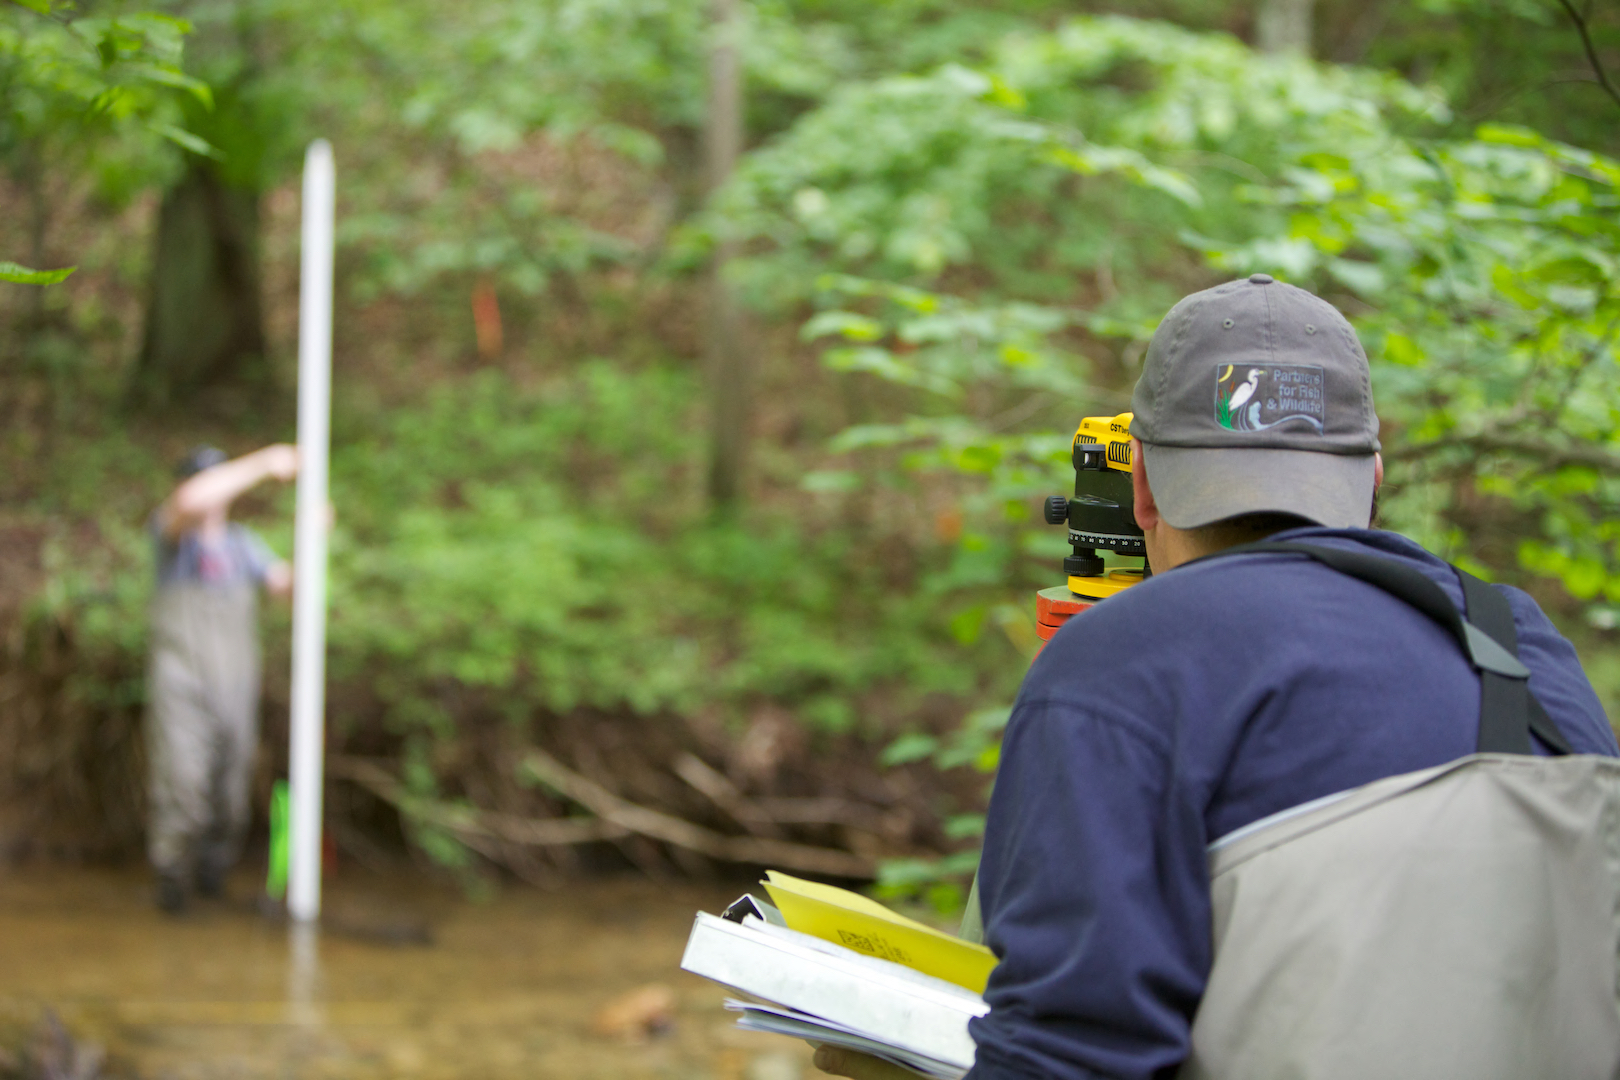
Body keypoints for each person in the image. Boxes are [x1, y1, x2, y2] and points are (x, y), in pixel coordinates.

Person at [815, 275, 1619, 1080]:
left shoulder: (1119, 664)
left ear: (1143, 494)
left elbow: (1068, 1055)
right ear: (1372, 484)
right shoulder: (1521, 645)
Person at [146, 443, 298, 913]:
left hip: (234, 687)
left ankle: (212, 883)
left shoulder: (243, 544)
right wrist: (263, 463)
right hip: (182, 687)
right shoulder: (171, 534)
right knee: (184, 788)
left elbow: (284, 587)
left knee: (230, 798)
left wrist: (313, 536)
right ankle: (172, 887)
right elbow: (190, 504)